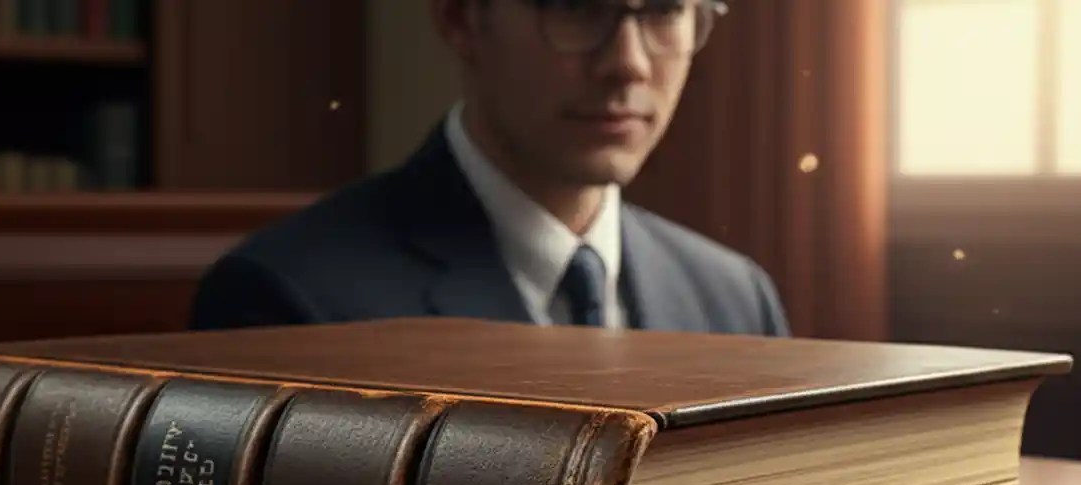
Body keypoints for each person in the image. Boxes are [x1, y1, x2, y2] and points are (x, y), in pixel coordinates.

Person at [189, 0, 790, 336]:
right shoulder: (289, 304)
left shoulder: (736, 301)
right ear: (460, 20)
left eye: (662, 12)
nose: (628, 64)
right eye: (579, 9)